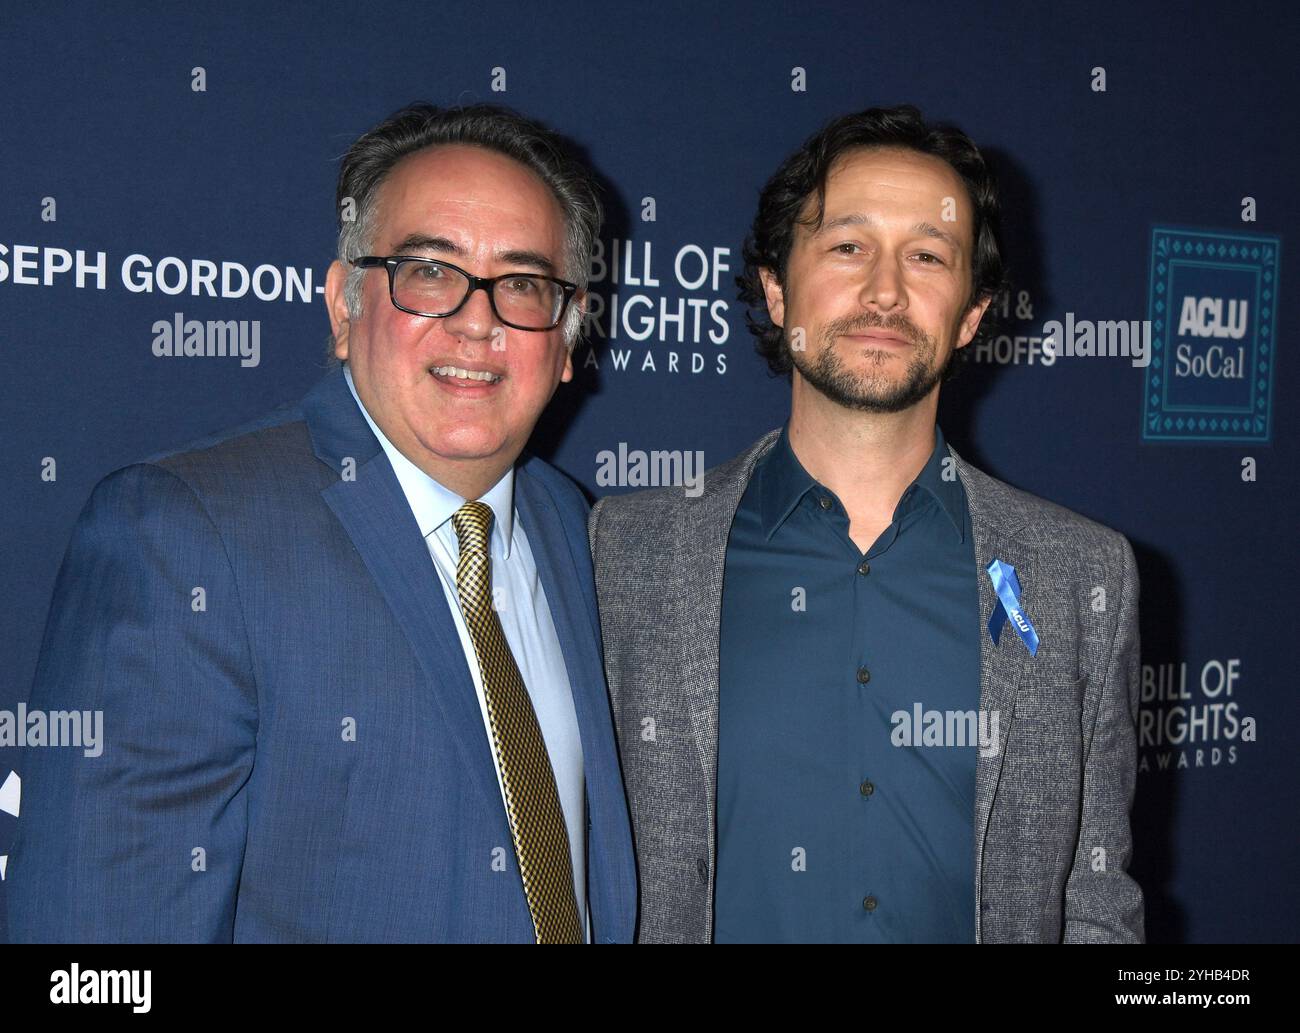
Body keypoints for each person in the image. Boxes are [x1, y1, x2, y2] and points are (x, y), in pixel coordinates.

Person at [8, 102, 635, 943]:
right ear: (344, 306)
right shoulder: (186, 535)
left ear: (566, 340)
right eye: (430, 272)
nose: (478, 321)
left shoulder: (576, 530)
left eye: (523, 284)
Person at [589, 105, 1143, 943]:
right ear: (777, 289)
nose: (885, 290)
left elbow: (1097, 902)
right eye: (848, 246)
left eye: (927, 255)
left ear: (970, 314)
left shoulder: (1081, 576)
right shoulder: (621, 552)